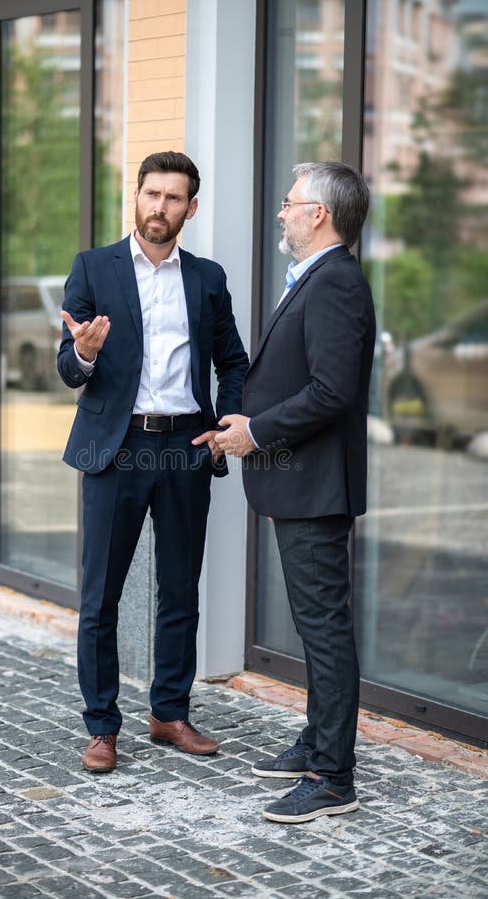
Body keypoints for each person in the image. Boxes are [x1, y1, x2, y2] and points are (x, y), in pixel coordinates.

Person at [57, 150, 249, 774]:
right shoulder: (93, 268)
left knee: (179, 590)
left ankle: (168, 713)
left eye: (172, 198)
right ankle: (102, 726)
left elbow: (234, 362)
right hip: (116, 449)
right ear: (134, 198)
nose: (158, 207)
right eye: (150, 194)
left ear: (190, 208)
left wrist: (225, 424)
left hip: (186, 448)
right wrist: (82, 356)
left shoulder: (208, 278)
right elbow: (67, 367)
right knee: (100, 597)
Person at [214, 161, 376, 824]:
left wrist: (257, 432)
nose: (279, 214)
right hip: (300, 482)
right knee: (316, 628)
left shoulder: (335, 282)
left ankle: (331, 777)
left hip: (314, 486)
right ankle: (316, 740)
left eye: (288, 204)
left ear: (319, 215)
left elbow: (331, 392)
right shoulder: (317, 278)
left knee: (324, 630)